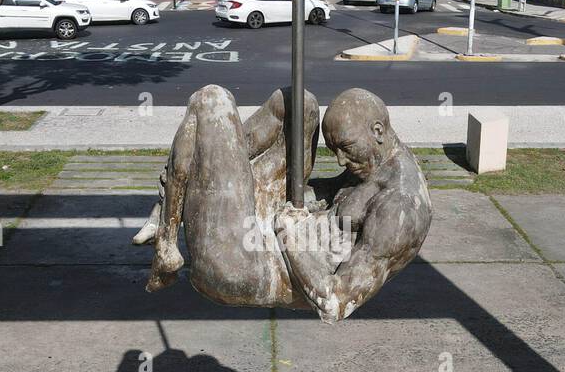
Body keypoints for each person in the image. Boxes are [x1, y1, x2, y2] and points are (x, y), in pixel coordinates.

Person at [132, 86, 431, 323]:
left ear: (377, 131)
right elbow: (330, 197)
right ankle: (188, 182)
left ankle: (166, 243)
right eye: (335, 150)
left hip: (252, 264)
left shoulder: (401, 207)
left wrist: (289, 233)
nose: (340, 161)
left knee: (210, 100)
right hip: (270, 227)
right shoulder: (377, 166)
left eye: (347, 149)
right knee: (299, 103)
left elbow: (334, 302)